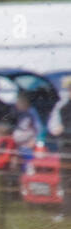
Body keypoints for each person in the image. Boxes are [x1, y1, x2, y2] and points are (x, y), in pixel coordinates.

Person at [45, 76, 71, 221]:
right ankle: (67, 211)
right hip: (67, 148)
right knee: (66, 181)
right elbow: (53, 127)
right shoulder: (62, 106)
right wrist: (58, 129)